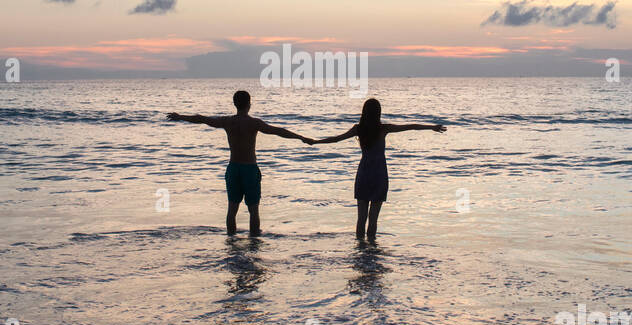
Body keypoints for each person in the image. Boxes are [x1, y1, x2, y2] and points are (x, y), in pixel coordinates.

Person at [166, 90, 313, 235]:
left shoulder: (227, 121)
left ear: (235, 104)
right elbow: (278, 131)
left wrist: (180, 117)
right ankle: (254, 241)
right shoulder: (254, 123)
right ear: (249, 104)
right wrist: (301, 137)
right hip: (249, 169)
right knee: (253, 210)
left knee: (232, 210)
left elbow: (201, 118)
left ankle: (231, 241)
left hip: (233, 169)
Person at [311, 98, 446, 242]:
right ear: (378, 113)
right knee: (373, 218)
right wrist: (431, 127)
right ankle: (371, 251)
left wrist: (315, 141)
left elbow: (336, 139)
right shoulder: (383, 129)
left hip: (364, 173)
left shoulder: (358, 129)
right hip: (379, 174)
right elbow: (410, 126)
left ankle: (360, 249)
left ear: (364, 112)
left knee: (361, 218)